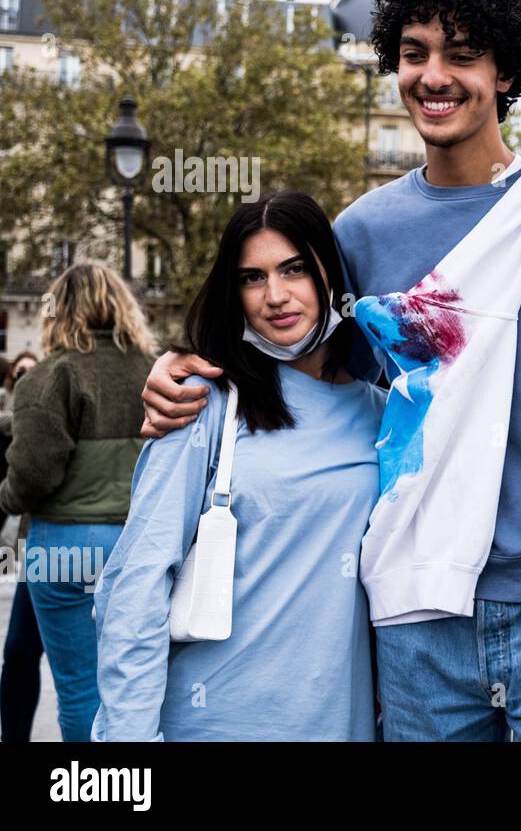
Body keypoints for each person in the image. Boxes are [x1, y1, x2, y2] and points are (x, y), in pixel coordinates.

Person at [135, 0, 521, 741]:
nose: (434, 76)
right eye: (414, 53)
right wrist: (180, 366)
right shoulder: (360, 233)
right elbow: (298, 358)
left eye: (462, 55)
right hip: (416, 619)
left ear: (504, 72)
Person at [94, 192, 385, 741]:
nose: (275, 296)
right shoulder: (201, 402)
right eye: (253, 278)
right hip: (210, 724)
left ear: (330, 273)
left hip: (339, 726)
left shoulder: (384, 414)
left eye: (295, 269)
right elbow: (137, 583)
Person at [0, 265, 154, 742]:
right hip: (141, 543)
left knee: (80, 691)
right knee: (139, 687)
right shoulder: (155, 370)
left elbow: (32, 476)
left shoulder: (50, 376)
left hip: (64, 546)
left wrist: (6, 495)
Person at [1, 351, 45, 743]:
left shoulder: (54, 385)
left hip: (63, 546)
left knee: (79, 670)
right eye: (20, 372)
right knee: (18, 653)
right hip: (42, 546)